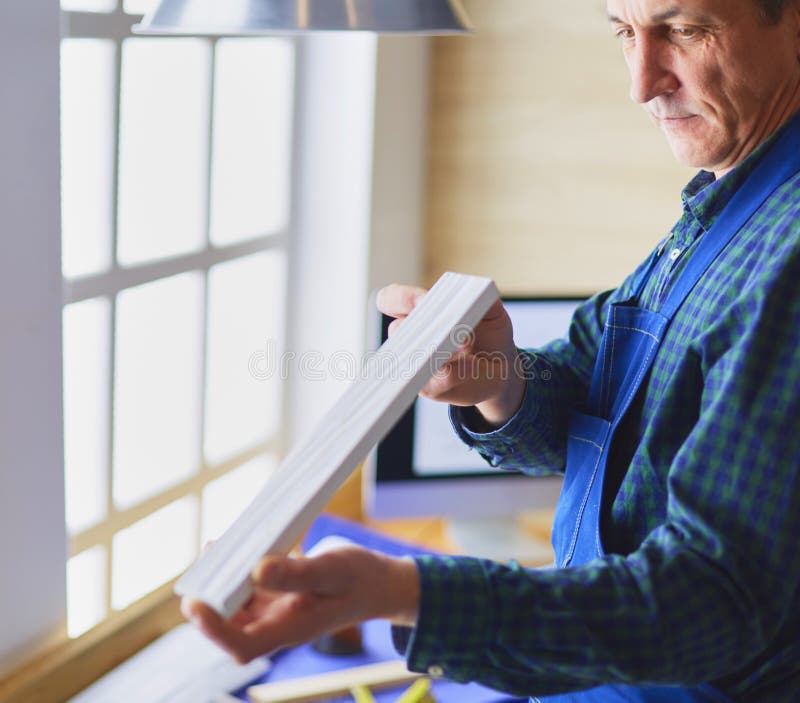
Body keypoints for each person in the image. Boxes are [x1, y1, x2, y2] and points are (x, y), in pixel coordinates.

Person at [184, 0, 800, 700]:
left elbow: (712, 600)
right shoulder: (722, 204)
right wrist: (500, 380)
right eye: (625, 33)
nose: (641, 82)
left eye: (684, 31)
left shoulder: (791, 253)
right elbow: (592, 389)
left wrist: (403, 590)